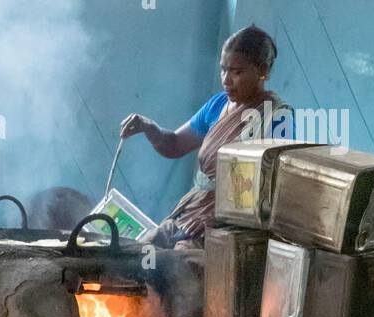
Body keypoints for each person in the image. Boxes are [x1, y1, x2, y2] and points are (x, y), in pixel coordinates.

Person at [120, 25, 293, 247]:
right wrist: (149, 128)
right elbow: (174, 145)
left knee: (175, 265)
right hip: (192, 212)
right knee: (142, 249)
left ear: (263, 71)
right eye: (223, 69)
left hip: (232, 228)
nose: (226, 80)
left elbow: (273, 188)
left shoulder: (275, 117)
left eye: (237, 72)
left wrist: (219, 217)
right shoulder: (218, 104)